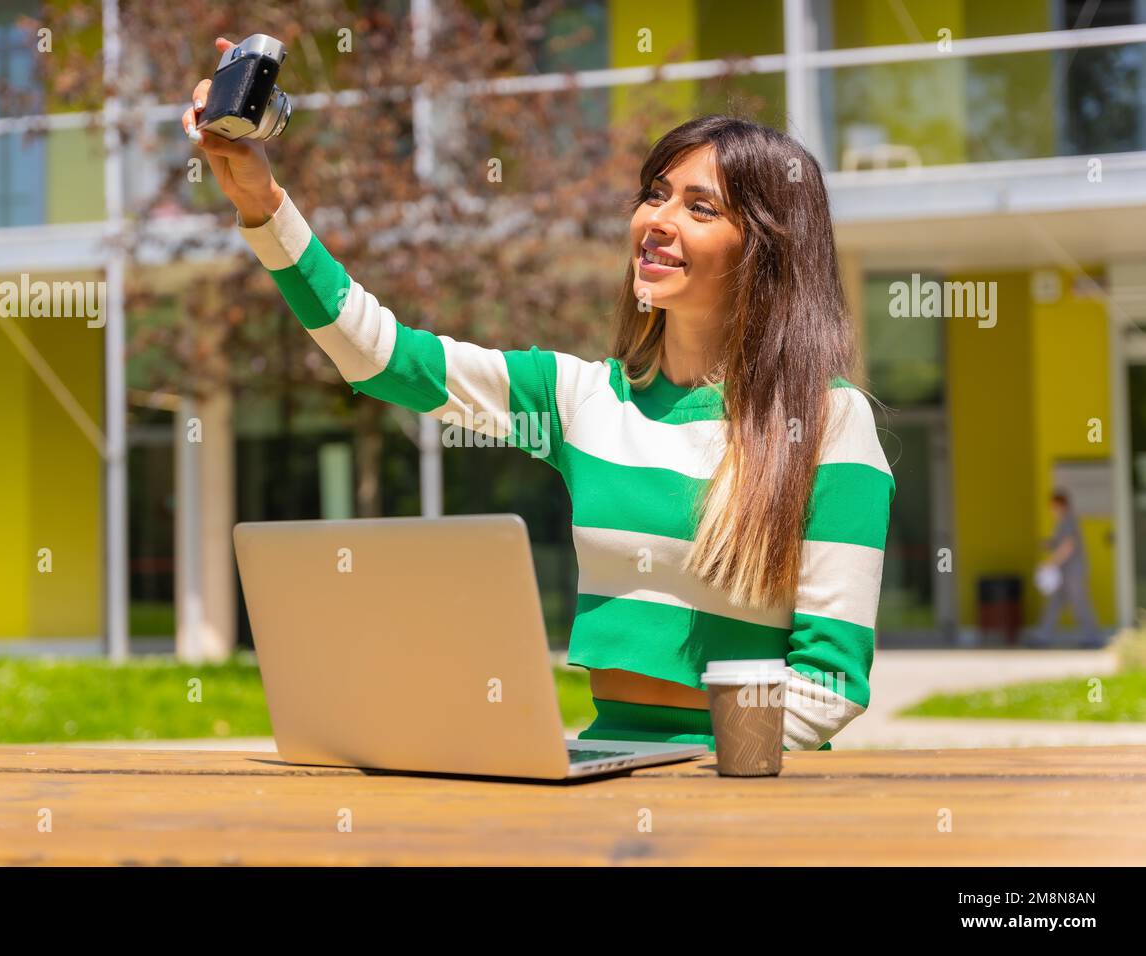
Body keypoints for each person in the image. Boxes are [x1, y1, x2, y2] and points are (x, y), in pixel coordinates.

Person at [183, 37, 895, 751]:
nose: (658, 222)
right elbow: (381, 357)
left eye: (700, 207)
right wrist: (261, 202)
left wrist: (705, 772)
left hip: (747, 787)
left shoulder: (830, 423)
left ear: (764, 249)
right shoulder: (582, 399)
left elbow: (830, 682)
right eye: (655, 194)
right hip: (603, 757)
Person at [1036, 489, 1103, 648]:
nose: (1051, 510)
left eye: (1053, 506)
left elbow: (1068, 546)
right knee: (1054, 603)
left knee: (1080, 603)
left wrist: (1050, 562)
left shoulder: (1069, 520)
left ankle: (1093, 638)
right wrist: (1049, 544)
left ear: (1061, 505)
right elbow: (1060, 542)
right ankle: (1043, 636)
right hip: (1063, 571)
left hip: (1074, 572)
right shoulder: (1061, 522)